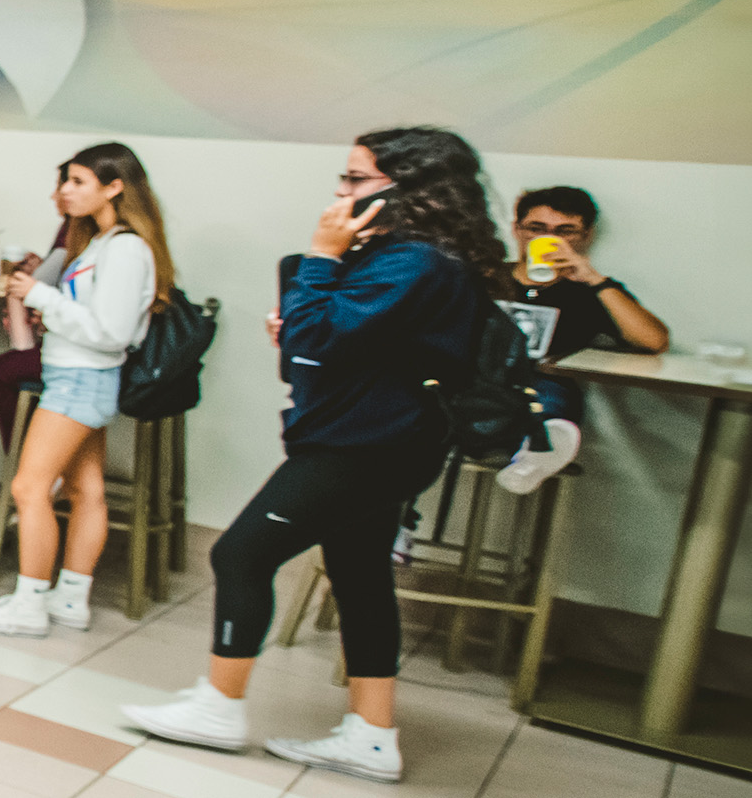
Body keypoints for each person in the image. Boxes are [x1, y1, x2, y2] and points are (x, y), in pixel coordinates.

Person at [119, 126, 505, 784]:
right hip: (386, 440)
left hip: (364, 445)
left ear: (408, 188)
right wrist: (306, 309)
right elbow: (325, 345)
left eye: (356, 179)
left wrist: (321, 259)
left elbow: (320, 338)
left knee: (239, 552)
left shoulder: (414, 262)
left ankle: (221, 706)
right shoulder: (417, 259)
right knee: (358, 573)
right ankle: (372, 735)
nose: (341, 191)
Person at [0, 142, 176, 638]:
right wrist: (51, 306)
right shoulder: (102, 243)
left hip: (82, 379)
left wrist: (41, 296)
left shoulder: (124, 249)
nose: (65, 191)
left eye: (78, 181)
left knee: (28, 487)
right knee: (86, 490)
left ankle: (29, 603)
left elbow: (112, 331)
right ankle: (70, 598)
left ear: (114, 187)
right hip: (78, 375)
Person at [490, 186, 667, 493]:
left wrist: (593, 279)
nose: (549, 238)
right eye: (537, 228)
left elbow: (653, 341)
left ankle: (534, 455)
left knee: (549, 397)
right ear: (517, 230)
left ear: (585, 236)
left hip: (541, 385)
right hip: (480, 380)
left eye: (566, 231)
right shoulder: (487, 277)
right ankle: (531, 452)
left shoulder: (588, 291)